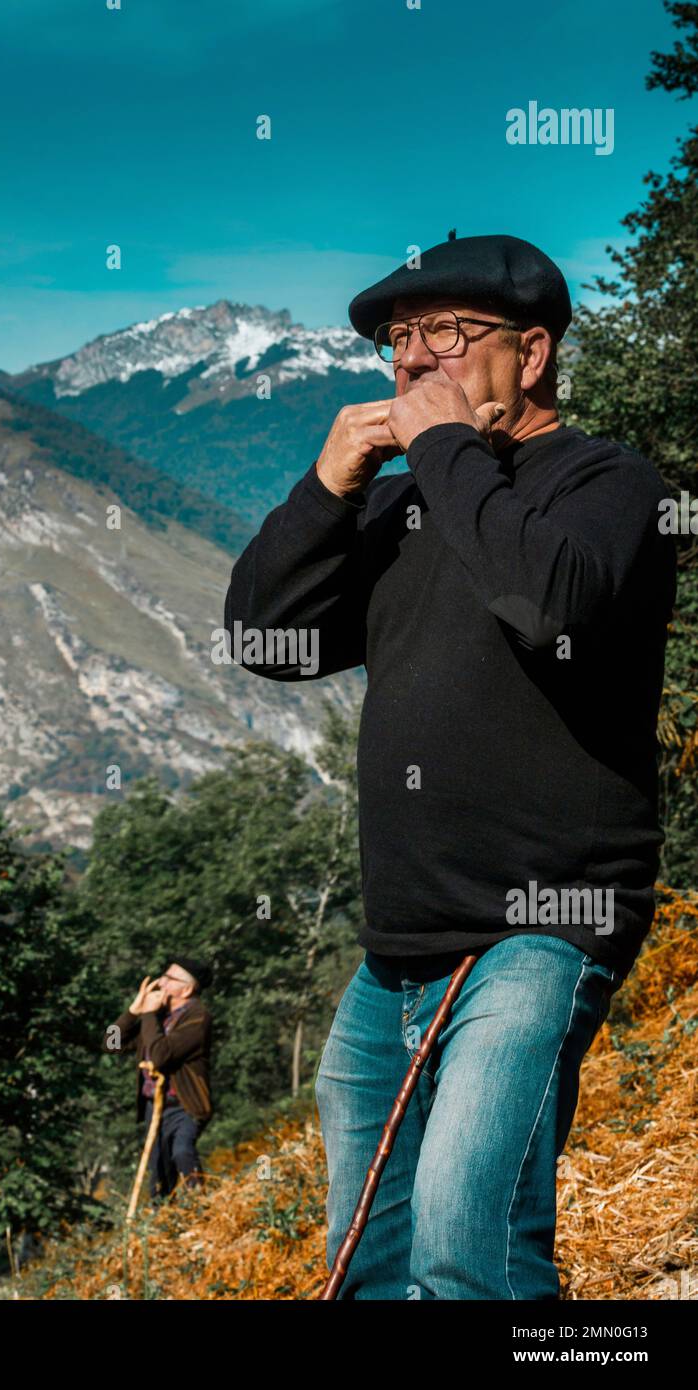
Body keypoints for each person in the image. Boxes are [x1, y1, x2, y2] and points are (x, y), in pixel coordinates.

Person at [223, 232, 677, 1299]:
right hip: (395, 952)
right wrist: (327, 490)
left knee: (463, 1251)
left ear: (529, 354)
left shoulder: (609, 487)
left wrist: (440, 454)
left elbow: (544, 601)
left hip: (539, 924)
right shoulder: (396, 505)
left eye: (445, 334)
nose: (413, 359)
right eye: (398, 342)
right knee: (365, 1267)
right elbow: (263, 639)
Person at [105, 957, 213, 1200]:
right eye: (163, 976)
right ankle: (164, 1223)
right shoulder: (157, 1016)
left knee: (182, 1152)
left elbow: (160, 1057)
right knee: (159, 1173)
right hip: (154, 1107)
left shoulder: (197, 1017)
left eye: (169, 979)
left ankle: (202, 1208)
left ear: (186, 989)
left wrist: (148, 1015)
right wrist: (133, 1011)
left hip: (186, 1106)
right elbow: (110, 1042)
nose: (160, 983)